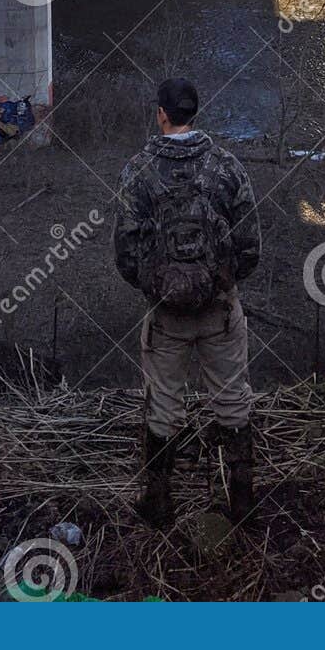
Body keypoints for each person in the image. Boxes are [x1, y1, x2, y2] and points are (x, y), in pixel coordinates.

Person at [113, 77, 261, 529]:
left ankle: (159, 506)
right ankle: (242, 503)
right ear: (195, 113)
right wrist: (219, 286)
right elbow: (250, 247)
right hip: (219, 311)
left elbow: (125, 253)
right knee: (233, 400)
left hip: (166, 317)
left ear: (161, 114)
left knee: (163, 407)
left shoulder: (138, 170)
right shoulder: (228, 167)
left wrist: (160, 288)